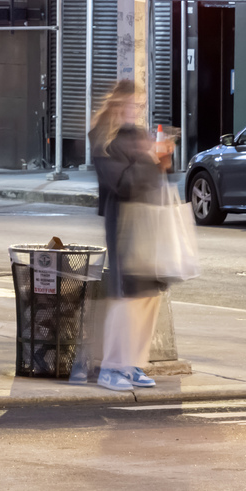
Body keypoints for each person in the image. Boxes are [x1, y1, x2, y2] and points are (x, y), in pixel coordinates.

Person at [91, 79, 172, 391]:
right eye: (132, 104)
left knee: (148, 295)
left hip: (148, 221)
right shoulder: (104, 138)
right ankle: (111, 367)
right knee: (126, 296)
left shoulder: (137, 135)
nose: (137, 110)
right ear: (118, 104)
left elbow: (155, 176)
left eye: (140, 105)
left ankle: (133, 362)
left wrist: (162, 157)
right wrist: (148, 158)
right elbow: (123, 184)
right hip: (124, 222)